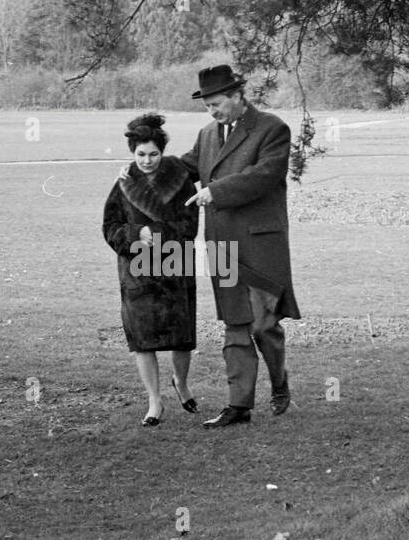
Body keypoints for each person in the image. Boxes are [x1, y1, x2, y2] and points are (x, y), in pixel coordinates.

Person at [179, 65, 301, 428]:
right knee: (235, 326)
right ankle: (239, 406)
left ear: (236, 96)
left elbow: (263, 176)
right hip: (221, 243)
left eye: (216, 103)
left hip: (260, 245)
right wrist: (142, 171)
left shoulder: (272, 129)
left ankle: (279, 383)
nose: (212, 111)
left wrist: (215, 191)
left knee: (263, 325)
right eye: (207, 106)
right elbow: (185, 166)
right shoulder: (207, 134)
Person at [102, 113, 199, 427]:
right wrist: (133, 236)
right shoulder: (123, 182)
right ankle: (154, 401)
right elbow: (110, 225)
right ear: (132, 153)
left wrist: (155, 234)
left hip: (175, 262)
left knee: (181, 336)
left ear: (163, 151)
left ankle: (181, 384)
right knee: (143, 338)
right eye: (140, 155)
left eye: (153, 154)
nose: (147, 160)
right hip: (137, 269)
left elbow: (190, 224)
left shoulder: (180, 179)